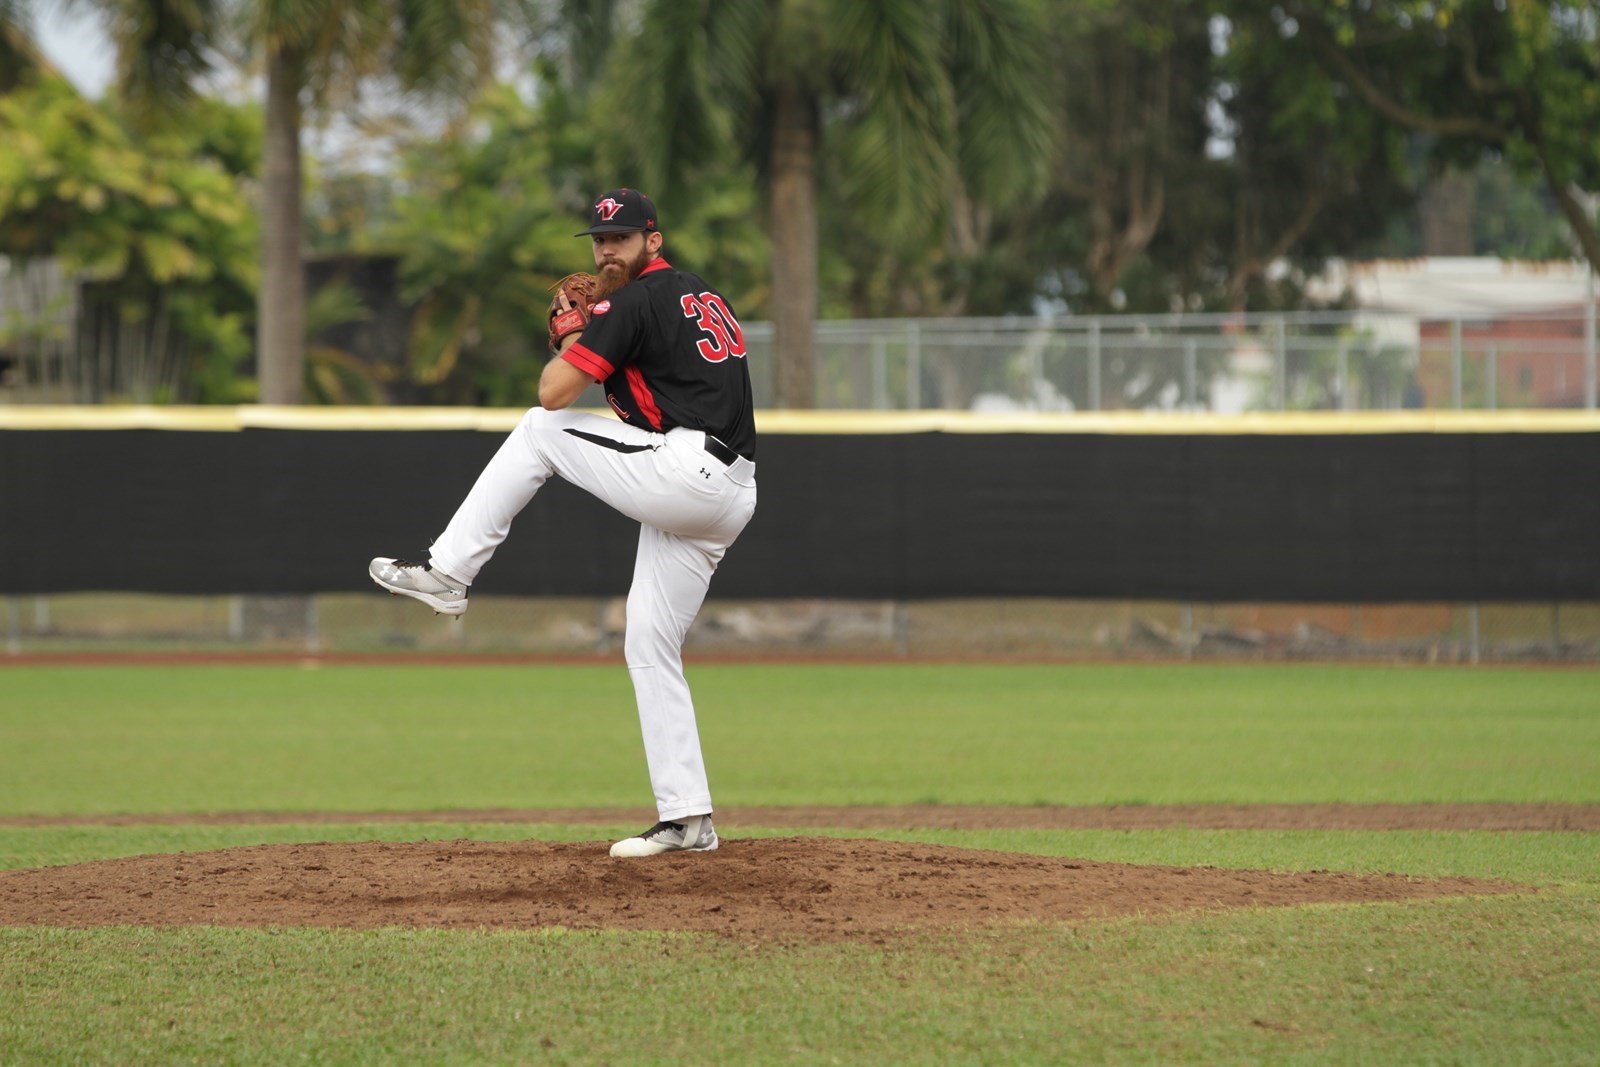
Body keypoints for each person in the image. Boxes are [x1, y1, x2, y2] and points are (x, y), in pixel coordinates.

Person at [369, 188, 757, 858]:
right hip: (728, 491)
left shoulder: (631, 299)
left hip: (689, 473)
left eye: (623, 239)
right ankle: (689, 817)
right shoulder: (693, 293)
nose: (607, 252)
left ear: (653, 242)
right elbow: (648, 395)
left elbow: (553, 390)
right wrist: (596, 333)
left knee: (541, 429)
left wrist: (575, 335)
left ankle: (447, 572)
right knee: (648, 643)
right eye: (600, 240)